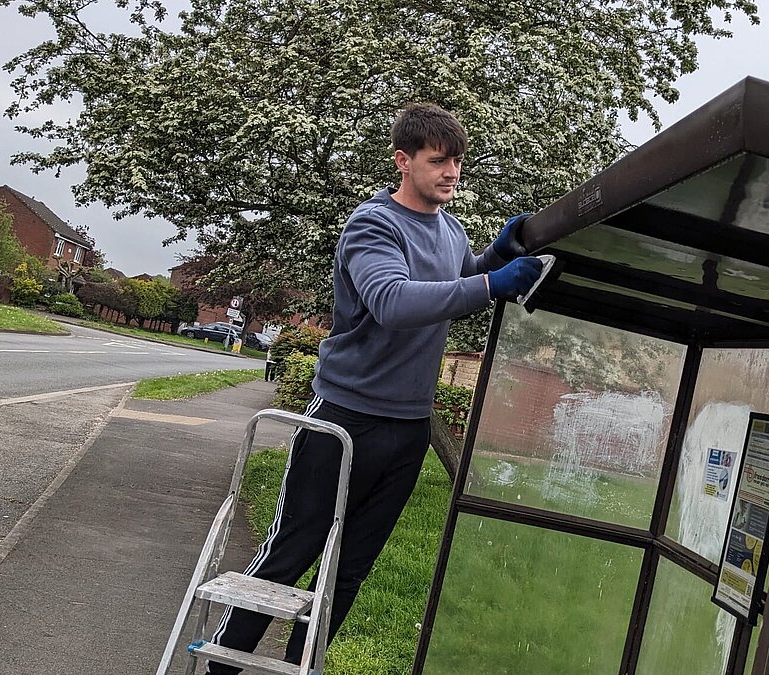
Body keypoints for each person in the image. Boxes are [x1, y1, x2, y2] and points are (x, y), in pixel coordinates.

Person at [206, 103, 543, 673]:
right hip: (344, 419)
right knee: (292, 550)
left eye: (458, 161)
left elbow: (452, 285)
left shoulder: (451, 229)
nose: (451, 173)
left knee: (350, 567)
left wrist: (492, 257)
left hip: (408, 428)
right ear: (403, 161)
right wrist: (490, 283)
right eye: (438, 161)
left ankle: (301, 666)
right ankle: (222, 666)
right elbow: (392, 301)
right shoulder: (373, 225)